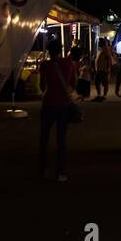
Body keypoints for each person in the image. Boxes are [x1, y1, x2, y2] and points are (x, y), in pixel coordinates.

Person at [37, 37, 77, 182]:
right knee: (61, 139)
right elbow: (73, 83)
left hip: (49, 104)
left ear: (48, 51)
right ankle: (61, 172)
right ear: (60, 50)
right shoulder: (69, 63)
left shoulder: (45, 65)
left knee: (44, 138)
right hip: (64, 105)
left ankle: (43, 169)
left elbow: (42, 86)